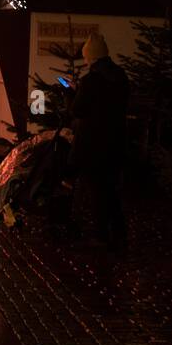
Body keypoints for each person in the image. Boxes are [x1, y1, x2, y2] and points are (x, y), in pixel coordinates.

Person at [71, 32, 130, 251]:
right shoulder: (120, 76)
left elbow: (78, 110)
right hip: (115, 141)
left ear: (92, 57)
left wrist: (74, 92)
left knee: (96, 190)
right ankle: (119, 233)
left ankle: (100, 235)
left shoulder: (91, 81)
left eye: (87, 56)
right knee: (112, 189)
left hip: (92, 144)